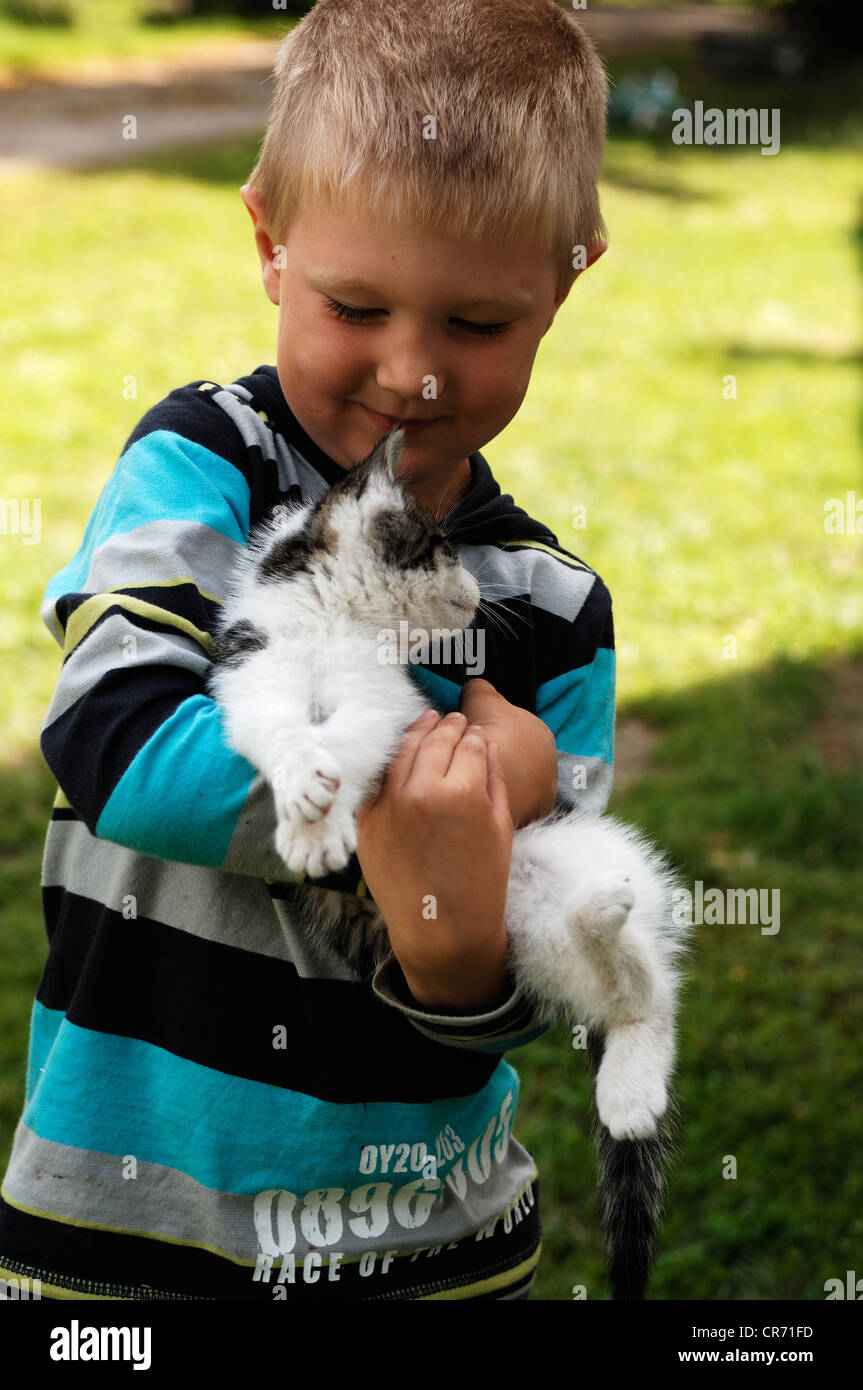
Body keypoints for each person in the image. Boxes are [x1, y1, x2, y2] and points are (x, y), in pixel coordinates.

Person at [0, 0, 614, 1301]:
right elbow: (123, 749)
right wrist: (446, 803)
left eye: (477, 325)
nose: (413, 371)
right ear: (271, 244)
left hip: (437, 1239)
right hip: (136, 1226)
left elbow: (535, 972)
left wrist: (460, 926)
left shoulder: (552, 605)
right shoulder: (201, 470)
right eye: (358, 304)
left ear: (567, 276)